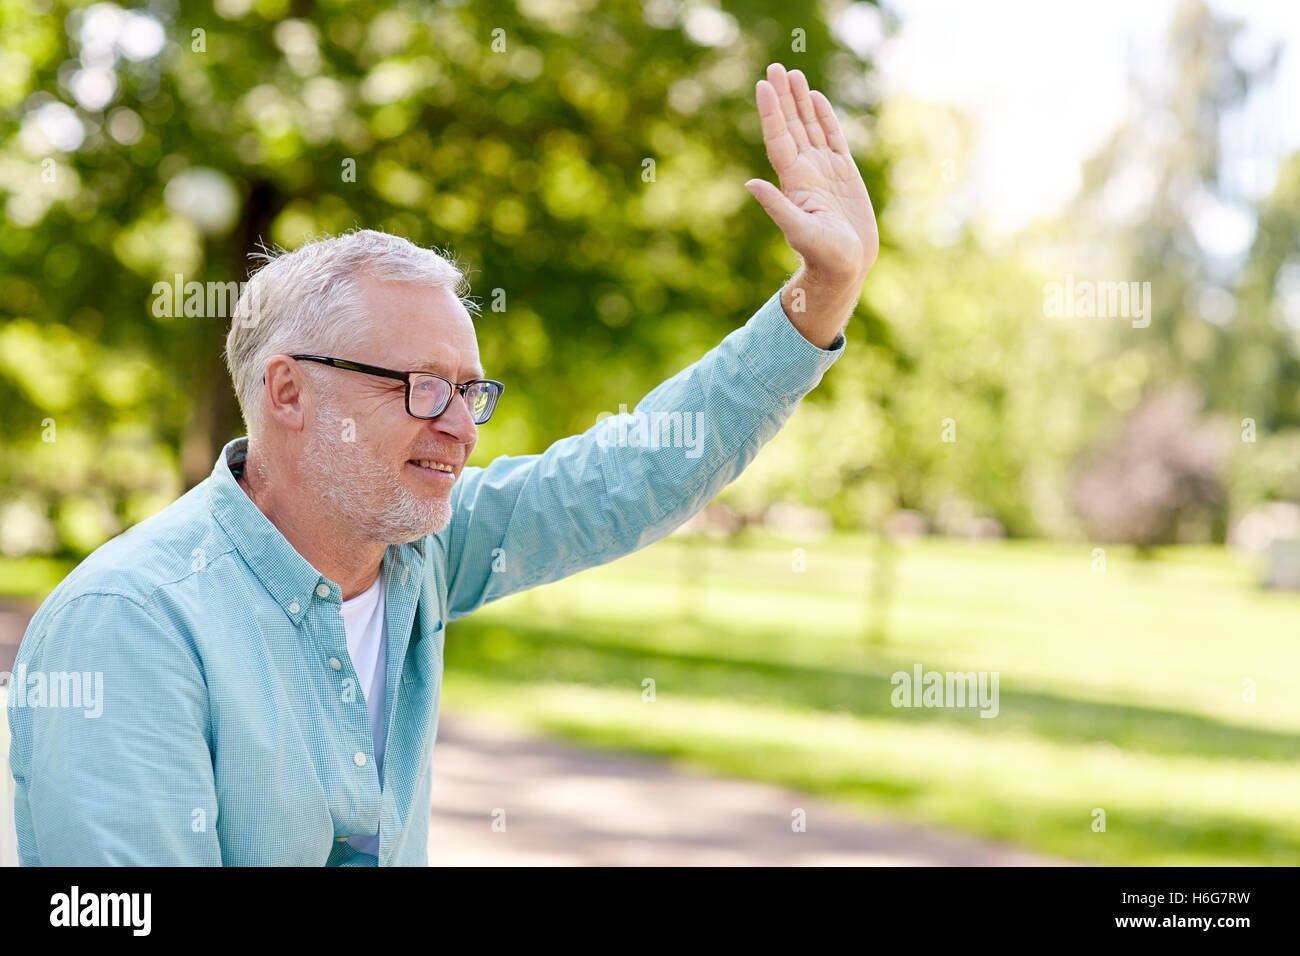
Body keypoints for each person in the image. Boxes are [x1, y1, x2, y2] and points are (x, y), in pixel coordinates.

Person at [7, 62, 878, 865]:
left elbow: (628, 478)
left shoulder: (414, 554)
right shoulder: (133, 624)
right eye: (424, 386)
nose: (461, 427)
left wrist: (821, 295)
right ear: (287, 393)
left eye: (471, 390)